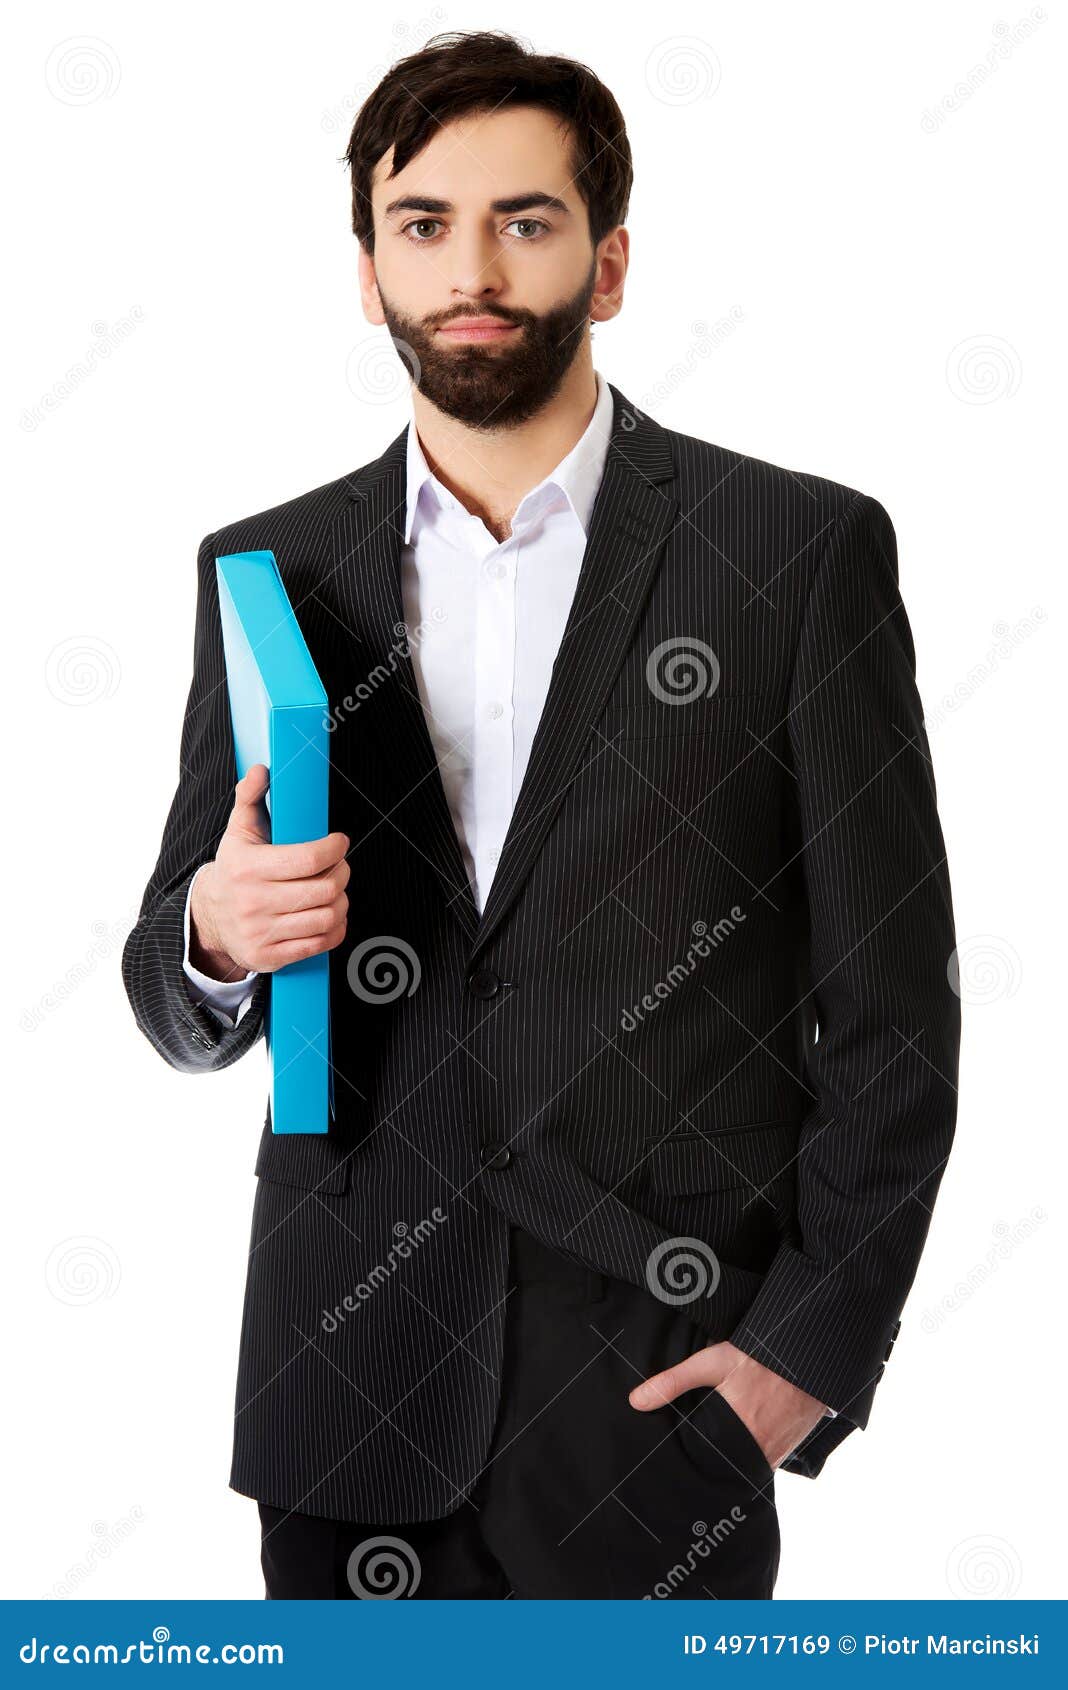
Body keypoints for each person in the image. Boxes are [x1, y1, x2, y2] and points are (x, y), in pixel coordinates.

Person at [122, 29, 960, 1600]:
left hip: (660, 1387)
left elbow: (897, 1017)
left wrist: (809, 1351)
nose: (472, 268)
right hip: (345, 1389)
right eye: (423, 224)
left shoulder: (794, 553)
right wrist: (212, 937)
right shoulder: (270, 570)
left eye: (526, 219)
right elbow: (174, 975)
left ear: (611, 258)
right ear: (366, 270)